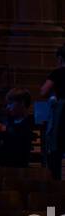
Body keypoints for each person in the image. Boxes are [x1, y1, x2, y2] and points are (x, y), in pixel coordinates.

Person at [39, 44, 65, 178]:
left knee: (56, 147)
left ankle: (56, 185)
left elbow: (44, 91)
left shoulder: (58, 72)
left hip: (62, 114)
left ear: (60, 58)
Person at [0, 88, 35, 168]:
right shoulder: (11, 120)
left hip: (16, 167)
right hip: (4, 164)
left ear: (22, 103)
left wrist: (2, 128)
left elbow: (16, 137)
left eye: (10, 103)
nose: (8, 107)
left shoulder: (27, 123)